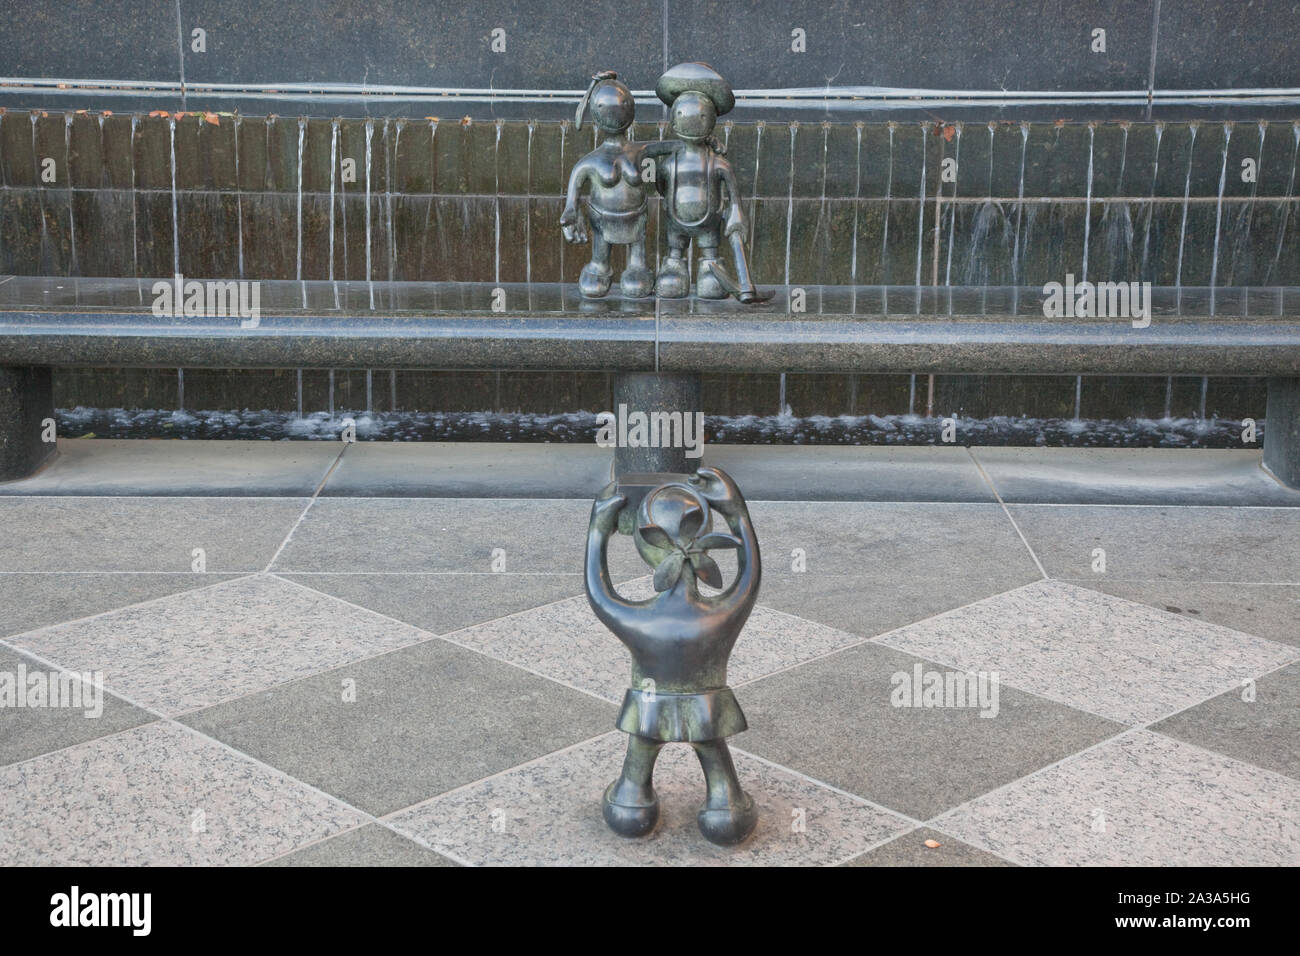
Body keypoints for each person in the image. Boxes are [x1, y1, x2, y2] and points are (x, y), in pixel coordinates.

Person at [585, 466, 762, 845]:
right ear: (705, 544)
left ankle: (632, 802)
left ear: (645, 547)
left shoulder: (637, 620)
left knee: (641, 751)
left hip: (649, 706)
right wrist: (737, 512)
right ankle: (726, 807)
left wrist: (598, 529)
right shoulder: (722, 615)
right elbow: (751, 575)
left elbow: (597, 592)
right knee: (712, 749)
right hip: (706, 709)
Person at [643, 62, 772, 304]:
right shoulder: (670, 163)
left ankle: (710, 269)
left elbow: (734, 197)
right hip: (676, 222)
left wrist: (736, 214)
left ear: (710, 121)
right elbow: (660, 184)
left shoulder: (719, 164)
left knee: (710, 262)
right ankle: (674, 269)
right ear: (674, 120)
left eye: (701, 115)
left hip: (709, 222)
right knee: (675, 253)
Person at [560, 71, 654, 298]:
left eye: (624, 104)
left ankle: (637, 266)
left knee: (637, 272)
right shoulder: (588, 162)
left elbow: (677, 146)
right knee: (600, 250)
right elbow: (572, 199)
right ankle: (599, 265)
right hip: (602, 220)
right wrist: (570, 212)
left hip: (637, 218)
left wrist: (706, 141)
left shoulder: (642, 150)